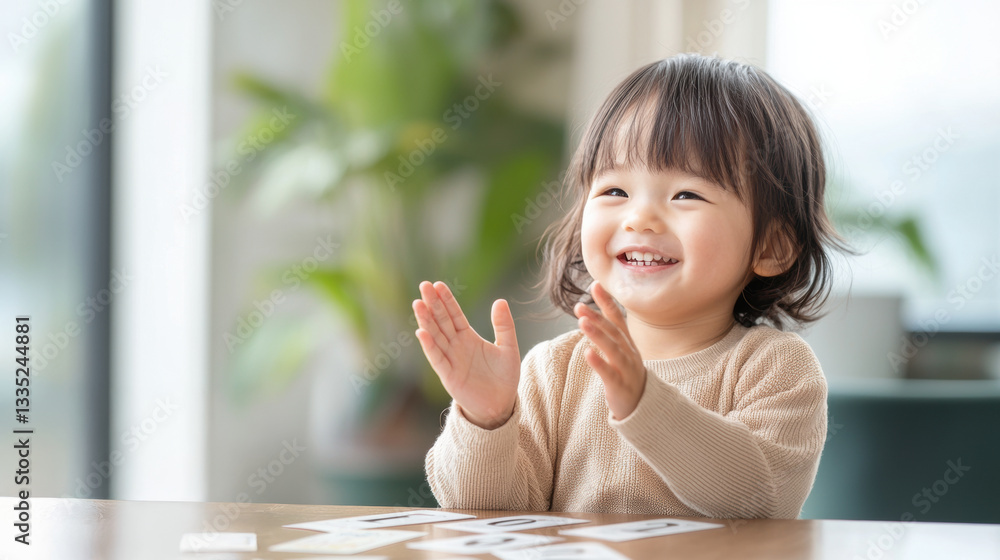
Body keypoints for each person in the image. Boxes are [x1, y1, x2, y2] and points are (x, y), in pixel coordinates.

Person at [411, 53, 848, 519]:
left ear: (772, 246)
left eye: (687, 194)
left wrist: (645, 403)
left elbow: (755, 498)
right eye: (614, 191)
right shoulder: (553, 372)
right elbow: (488, 512)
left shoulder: (775, 369)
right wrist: (487, 418)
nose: (639, 217)